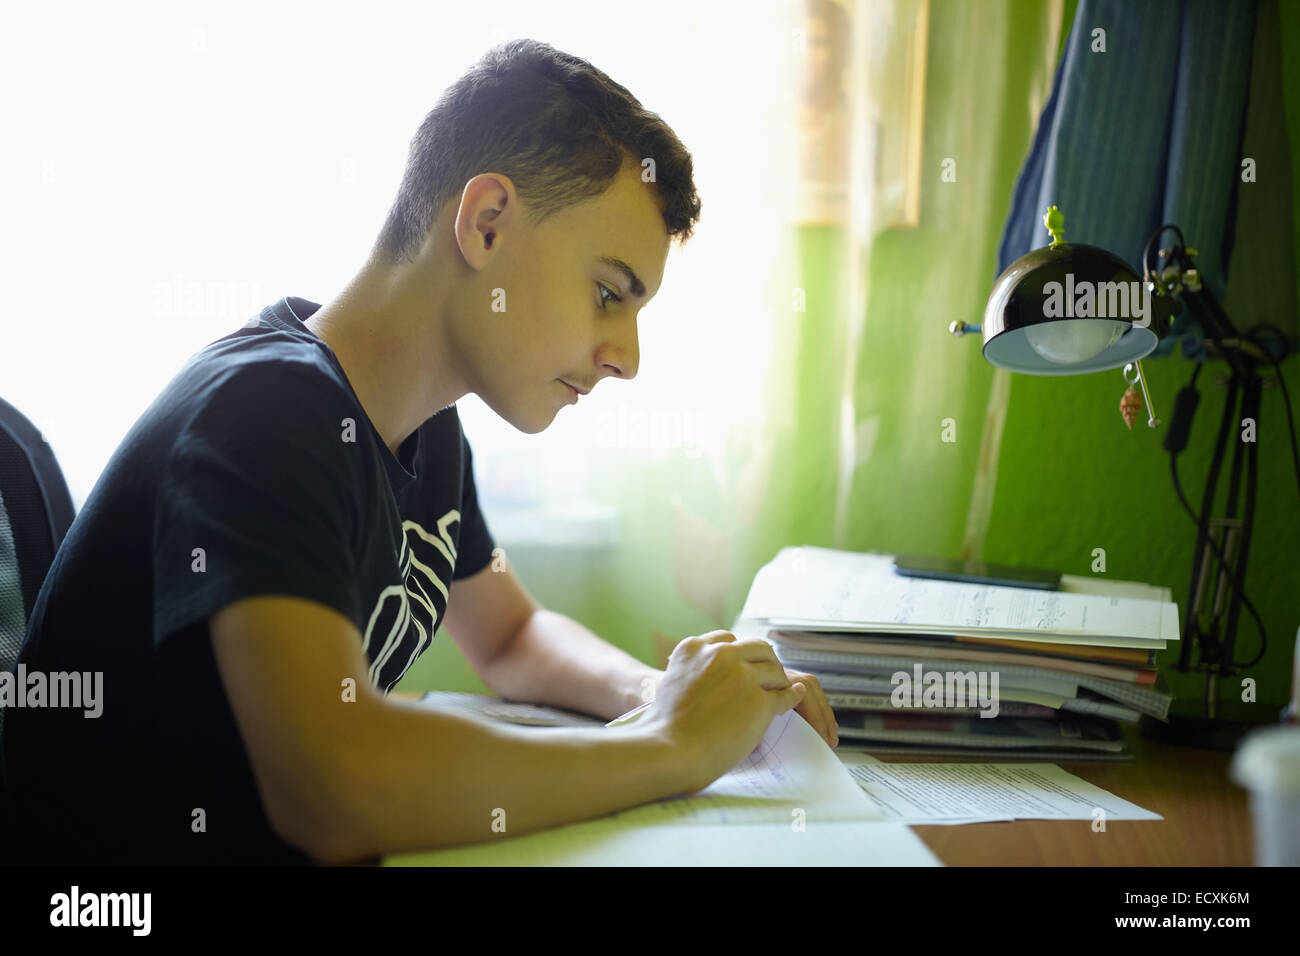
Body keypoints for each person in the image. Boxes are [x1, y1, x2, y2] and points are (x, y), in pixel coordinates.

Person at [3, 38, 837, 866]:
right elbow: (334, 787)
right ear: (486, 223)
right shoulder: (269, 412)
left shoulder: (426, 429)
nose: (626, 354)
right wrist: (672, 747)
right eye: (608, 294)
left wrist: (668, 694)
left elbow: (511, 636)